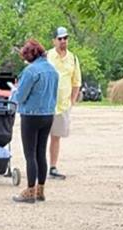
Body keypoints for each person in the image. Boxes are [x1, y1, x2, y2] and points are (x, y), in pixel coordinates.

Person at [11, 39, 58, 203]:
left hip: (31, 115)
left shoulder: (30, 71)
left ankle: (30, 190)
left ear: (30, 55)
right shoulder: (53, 71)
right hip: (48, 114)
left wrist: (14, 92)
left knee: (29, 154)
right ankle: (41, 190)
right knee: (41, 152)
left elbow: (21, 96)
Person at [47, 27, 81, 180]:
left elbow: (76, 82)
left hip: (62, 106)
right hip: (46, 104)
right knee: (40, 137)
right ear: (54, 40)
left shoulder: (73, 58)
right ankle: (38, 166)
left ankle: (53, 167)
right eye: (60, 38)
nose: (63, 41)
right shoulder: (47, 56)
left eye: (65, 38)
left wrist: (71, 102)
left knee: (56, 137)